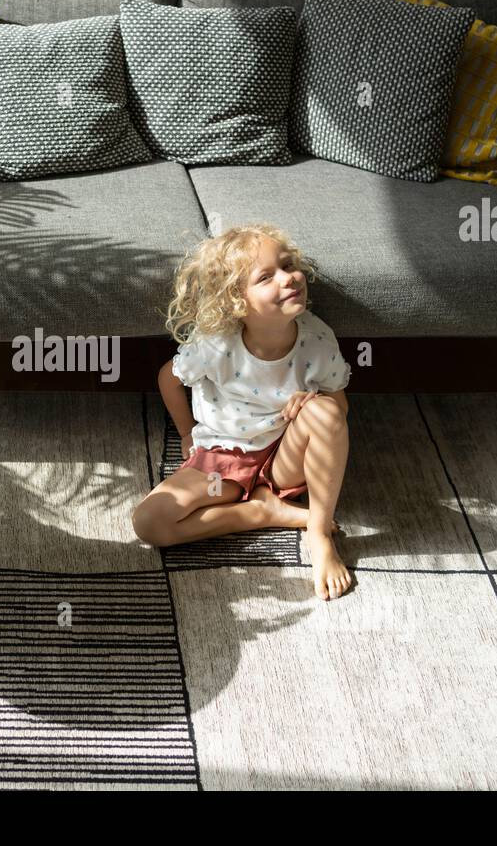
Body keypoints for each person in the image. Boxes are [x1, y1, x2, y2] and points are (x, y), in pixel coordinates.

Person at [131, 223, 354, 600]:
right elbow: (169, 378)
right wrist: (187, 435)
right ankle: (263, 513)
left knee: (325, 412)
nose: (289, 278)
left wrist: (317, 404)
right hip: (222, 463)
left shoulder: (317, 339)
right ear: (237, 301)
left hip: (287, 458)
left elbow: (341, 407)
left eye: (288, 265)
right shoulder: (217, 346)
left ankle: (316, 532)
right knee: (150, 523)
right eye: (266, 277)